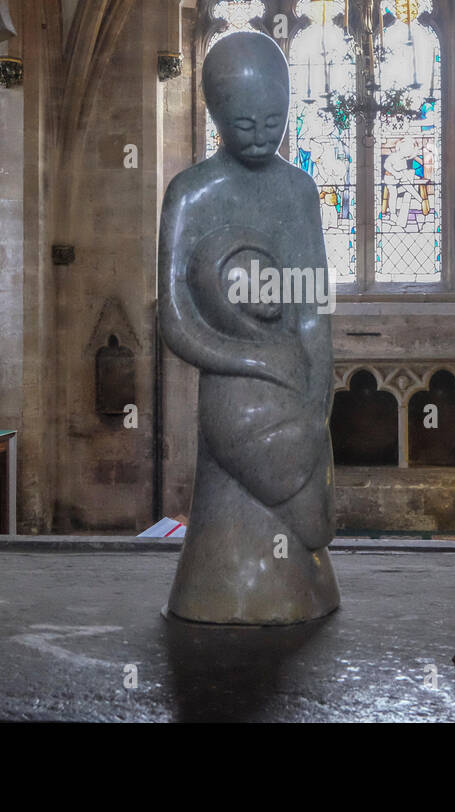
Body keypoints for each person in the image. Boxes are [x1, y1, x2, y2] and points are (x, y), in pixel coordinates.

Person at [157, 32, 340, 624]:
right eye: (244, 123)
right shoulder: (191, 194)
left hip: (292, 382)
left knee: (305, 509)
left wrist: (317, 392)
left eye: (274, 119)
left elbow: (312, 304)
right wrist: (249, 361)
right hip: (235, 395)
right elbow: (174, 317)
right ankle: (222, 589)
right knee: (232, 511)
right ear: (214, 115)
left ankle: (296, 588)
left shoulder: (299, 189)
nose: (262, 134)